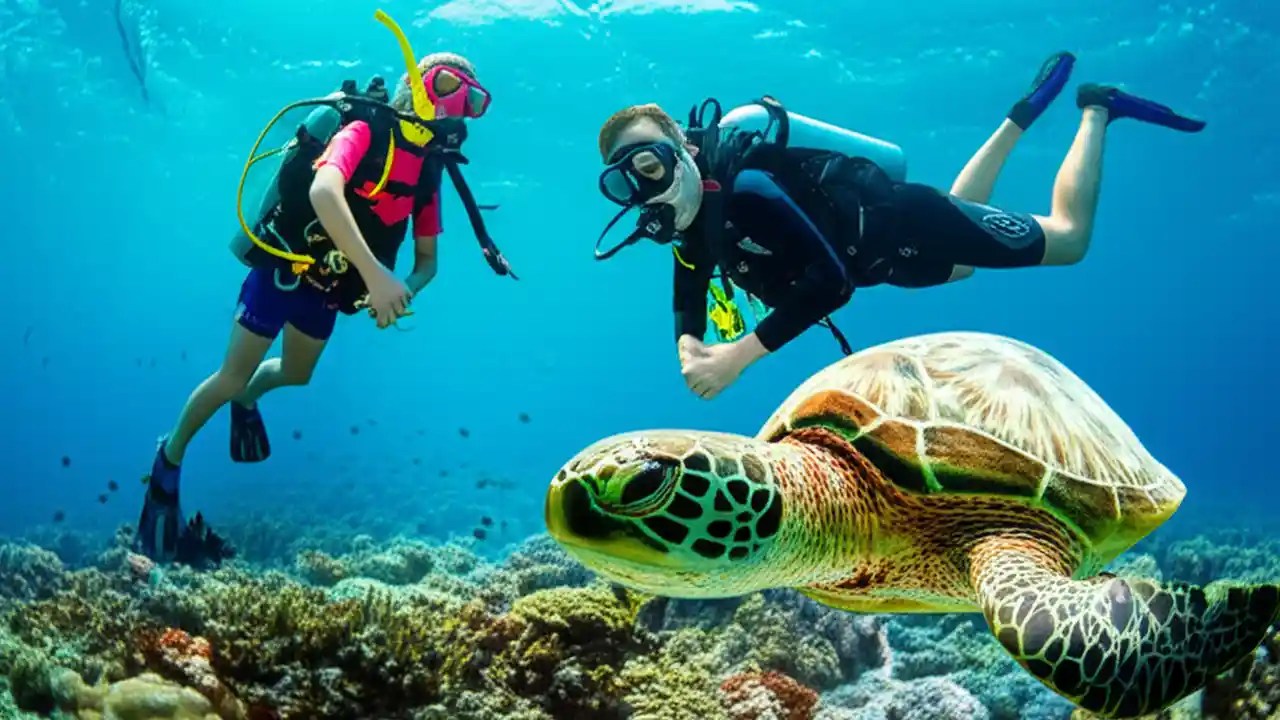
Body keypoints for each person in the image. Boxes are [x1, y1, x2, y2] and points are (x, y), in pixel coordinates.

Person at [592, 52, 1206, 401]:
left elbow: (831, 285)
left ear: (684, 148)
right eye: (627, 181)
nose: (648, 186)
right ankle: (1023, 114)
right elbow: (690, 277)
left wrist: (736, 360)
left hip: (908, 222)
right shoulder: (692, 219)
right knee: (965, 262)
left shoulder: (746, 188)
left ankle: (1098, 107)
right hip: (888, 258)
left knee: (1068, 241)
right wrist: (688, 344)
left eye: (652, 162)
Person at [135, 11, 513, 563]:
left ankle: (248, 400)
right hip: (285, 266)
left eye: (471, 100)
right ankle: (167, 461)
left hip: (332, 288)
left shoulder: (430, 173)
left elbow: (428, 261)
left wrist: (401, 291)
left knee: (296, 373)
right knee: (231, 372)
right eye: (447, 87)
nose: (456, 107)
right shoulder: (365, 127)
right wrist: (379, 276)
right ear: (414, 85)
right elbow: (324, 194)